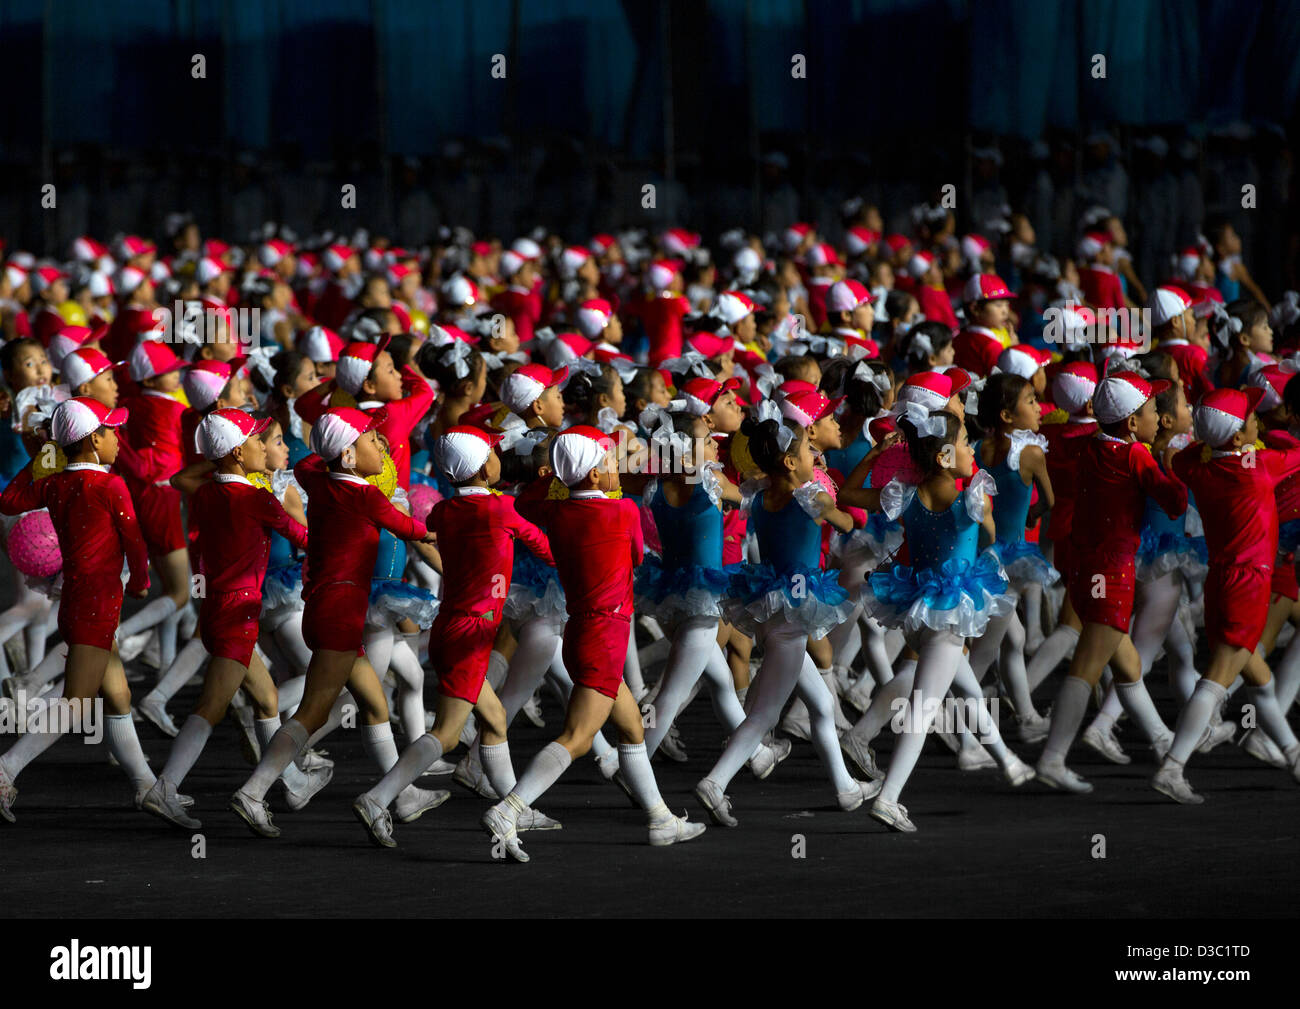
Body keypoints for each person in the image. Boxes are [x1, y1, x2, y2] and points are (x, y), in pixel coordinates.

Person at [480, 426, 706, 861]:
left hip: (582, 632)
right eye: (607, 462)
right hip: (605, 637)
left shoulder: (556, 512)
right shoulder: (621, 512)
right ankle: (509, 808)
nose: (615, 466)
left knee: (632, 728)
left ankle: (661, 819)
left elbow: (526, 499)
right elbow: (639, 555)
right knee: (578, 737)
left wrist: (564, 474)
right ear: (595, 476)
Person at [0, 397, 188, 826]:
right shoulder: (109, 485)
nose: (119, 439)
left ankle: (146, 787)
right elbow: (134, 541)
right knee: (77, 703)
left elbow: (10, 500)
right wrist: (141, 579)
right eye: (110, 431)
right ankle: (5, 769)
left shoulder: (54, 483)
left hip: (76, 601)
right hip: (96, 606)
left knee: (118, 696)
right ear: (90, 441)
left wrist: (48, 453)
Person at [1035, 372, 1187, 793]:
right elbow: (1174, 503)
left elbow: (1053, 446)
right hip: (1111, 574)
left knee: (1130, 666)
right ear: (1134, 423)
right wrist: (1171, 463)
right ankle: (1052, 758)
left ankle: (1164, 744)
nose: (1160, 416)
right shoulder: (1136, 456)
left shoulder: (1086, 446)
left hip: (1083, 570)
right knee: (1085, 669)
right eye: (1154, 410)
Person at [1157, 387, 1300, 801]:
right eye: (1253, 417)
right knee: (1218, 678)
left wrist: (1209, 442)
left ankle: (1292, 753)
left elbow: (1184, 457)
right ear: (1237, 437)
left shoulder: (1200, 468)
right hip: (1251, 584)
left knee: (1261, 678)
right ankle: (1172, 765)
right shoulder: (1259, 466)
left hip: (1221, 579)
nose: (1260, 422)